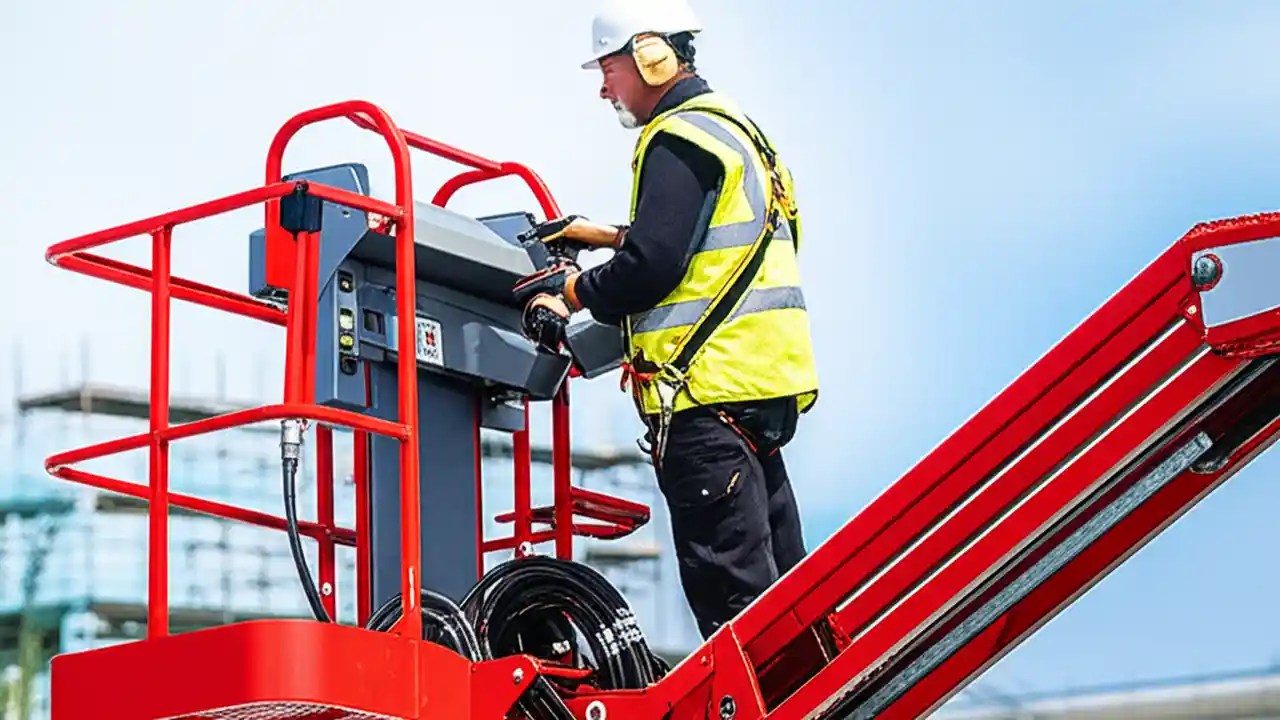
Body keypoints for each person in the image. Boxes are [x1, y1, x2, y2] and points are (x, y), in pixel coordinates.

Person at [513, 0, 820, 640]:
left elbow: (653, 267)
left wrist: (567, 293)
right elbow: (704, 246)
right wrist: (605, 235)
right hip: (758, 396)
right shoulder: (738, 133)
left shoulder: (676, 135)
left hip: (705, 401)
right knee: (787, 607)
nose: (603, 88)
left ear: (650, 56)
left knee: (737, 614)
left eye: (609, 69)